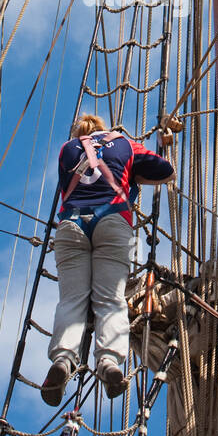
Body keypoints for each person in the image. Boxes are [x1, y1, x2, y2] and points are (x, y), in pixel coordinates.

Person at [40, 113, 174, 406]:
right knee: (110, 299)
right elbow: (166, 171)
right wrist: (133, 174)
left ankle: (63, 359)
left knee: (72, 300)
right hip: (112, 221)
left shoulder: (68, 148)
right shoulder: (124, 144)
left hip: (71, 224)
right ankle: (109, 363)